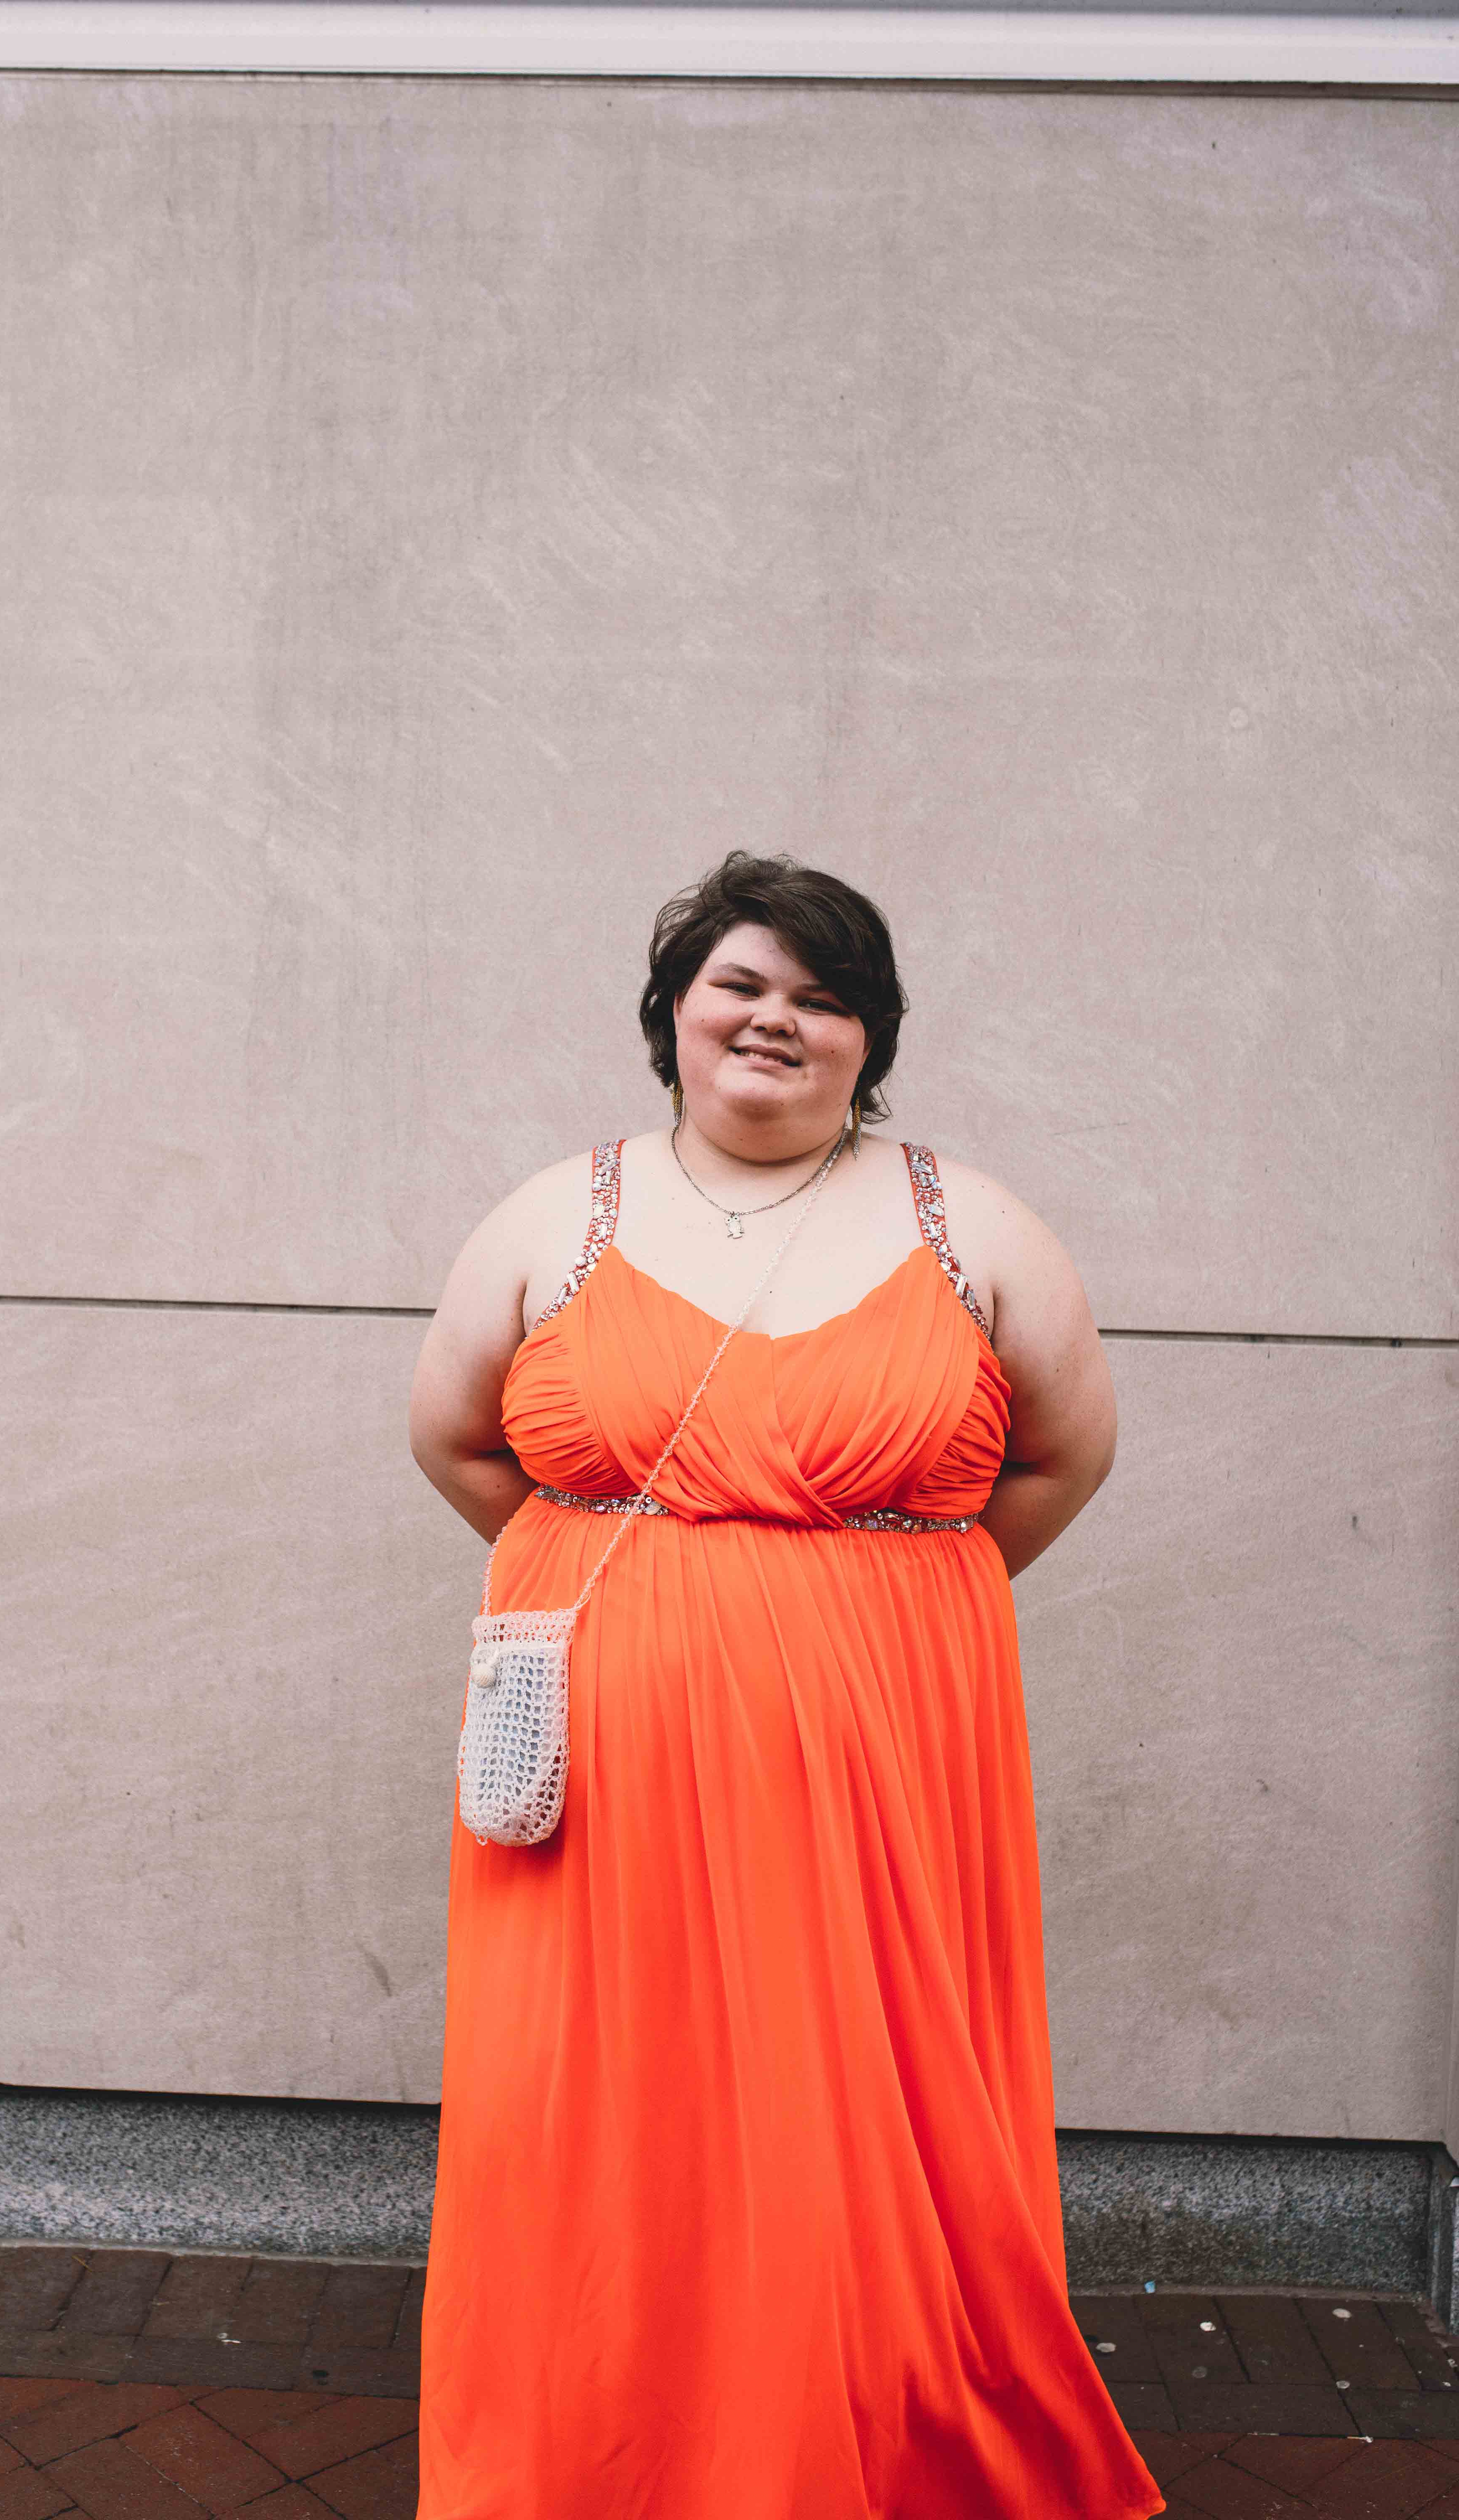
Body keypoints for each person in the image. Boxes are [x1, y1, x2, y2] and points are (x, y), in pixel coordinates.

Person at [407, 851, 1162, 2520]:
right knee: (606, 2122)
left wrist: (874, 1613)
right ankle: (595, 2469)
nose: (774, 1019)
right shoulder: (555, 1212)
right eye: (739, 984)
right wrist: (639, 1585)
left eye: (822, 998)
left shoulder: (970, 1224)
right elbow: (456, 1440)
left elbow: (1061, 1460)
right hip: (599, 1792)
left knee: (845, 2119)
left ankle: (840, 2459)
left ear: (868, 1037)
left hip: (876, 1769)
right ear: (674, 1012)